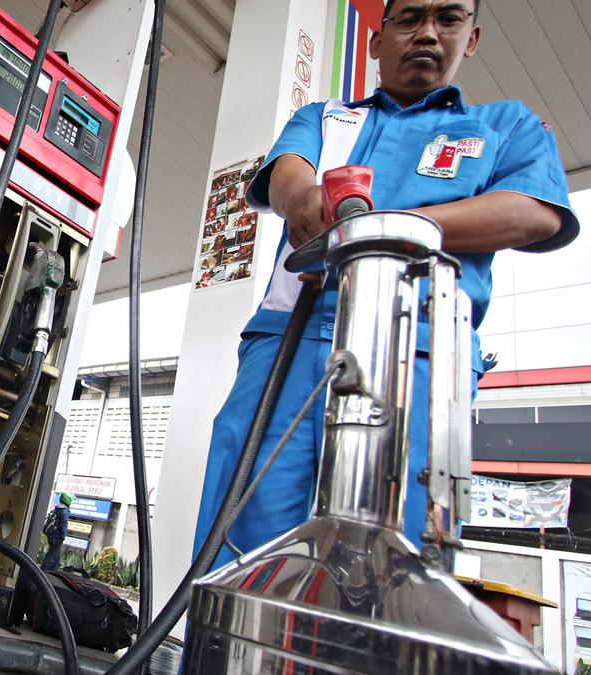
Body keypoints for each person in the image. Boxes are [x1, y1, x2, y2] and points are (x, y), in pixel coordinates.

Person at [194, 0, 580, 570]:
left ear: (471, 39)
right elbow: (288, 175)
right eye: (409, 18)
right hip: (291, 340)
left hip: (423, 351)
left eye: (448, 18)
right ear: (378, 40)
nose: (427, 32)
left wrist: (386, 229)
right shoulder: (327, 118)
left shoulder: (506, 126)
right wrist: (304, 199)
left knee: (387, 560)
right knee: (242, 542)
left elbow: (536, 212)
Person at [41, 491, 74, 571]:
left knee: (56, 556)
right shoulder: (64, 511)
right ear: (68, 500)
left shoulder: (57, 508)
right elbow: (63, 525)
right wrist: (63, 536)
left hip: (51, 534)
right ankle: (42, 572)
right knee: (51, 555)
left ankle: (53, 572)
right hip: (57, 536)